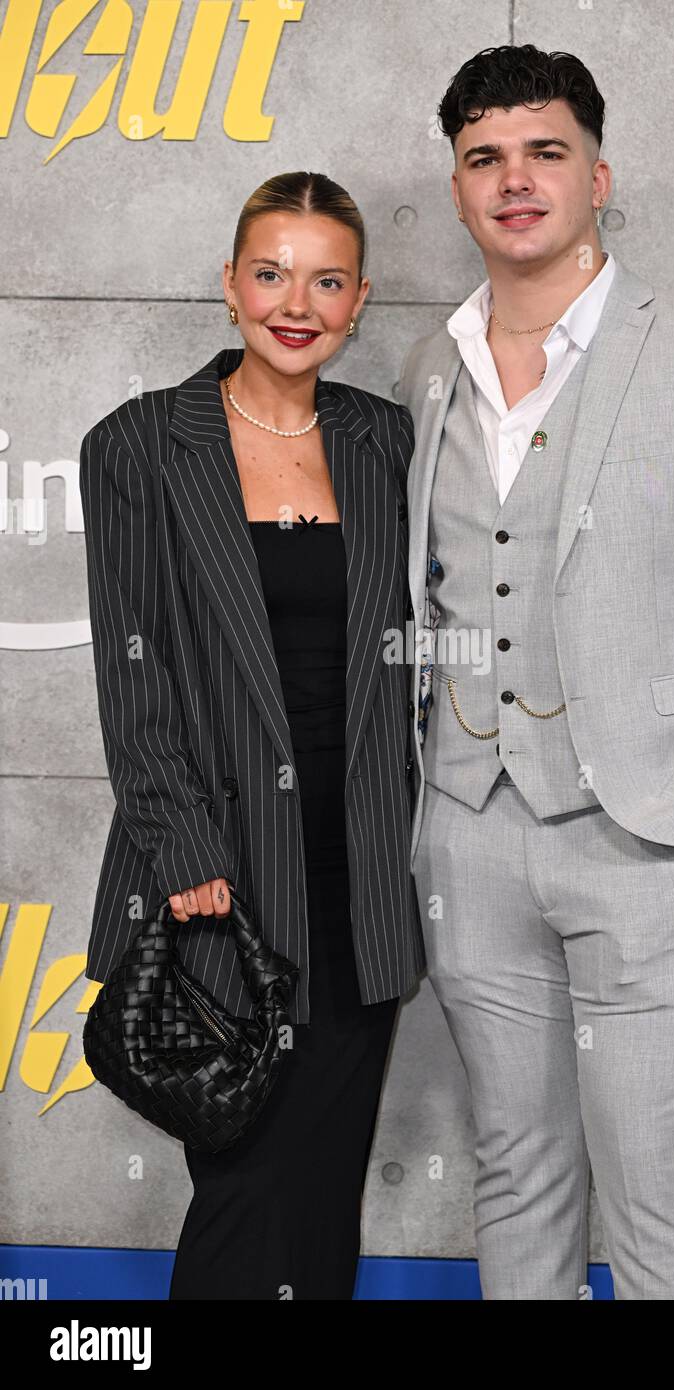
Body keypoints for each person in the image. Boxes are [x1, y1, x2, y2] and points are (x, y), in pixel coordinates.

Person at [398, 45, 674, 1300]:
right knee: (517, 1169)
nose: (515, 179)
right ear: (459, 185)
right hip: (472, 836)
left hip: (654, 840)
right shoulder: (434, 368)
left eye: (545, 151)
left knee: (654, 1185)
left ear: (600, 173)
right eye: (485, 156)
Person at [79, 172, 425, 1299]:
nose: (297, 301)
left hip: (358, 875)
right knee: (249, 1192)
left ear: (360, 299)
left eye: (327, 279)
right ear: (228, 286)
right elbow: (134, 676)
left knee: (323, 1199)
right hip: (220, 881)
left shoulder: (384, 441)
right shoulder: (139, 445)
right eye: (271, 273)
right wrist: (185, 858)